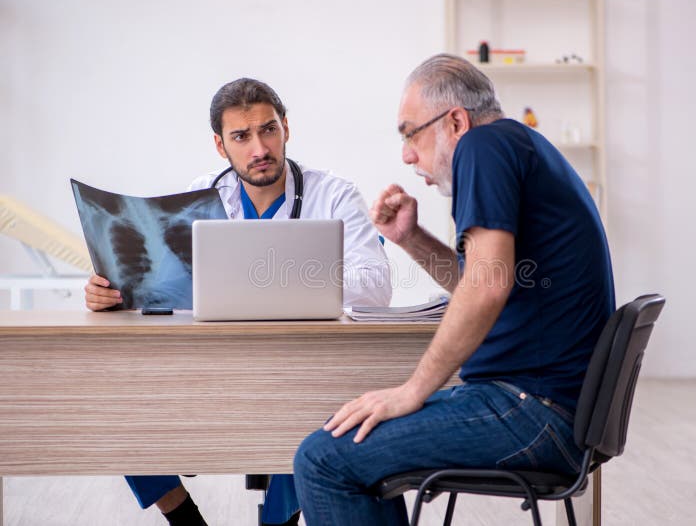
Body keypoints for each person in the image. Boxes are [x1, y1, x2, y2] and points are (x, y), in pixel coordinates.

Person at [293, 54, 615, 525]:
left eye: (409, 133)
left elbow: (487, 288)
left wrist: (412, 391)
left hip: (532, 412)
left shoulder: (482, 148)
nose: (406, 154)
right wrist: (410, 238)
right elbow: (482, 283)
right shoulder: (516, 145)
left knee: (324, 459)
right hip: (547, 408)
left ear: (456, 121)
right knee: (347, 440)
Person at [84, 78, 392, 525]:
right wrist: (110, 292)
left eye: (268, 129)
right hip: (217, 364)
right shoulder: (200, 196)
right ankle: (184, 518)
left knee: (312, 412)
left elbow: (376, 285)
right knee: (122, 401)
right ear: (220, 145)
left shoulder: (334, 194)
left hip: (301, 365)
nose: (259, 147)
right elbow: (165, 289)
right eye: (241, 136)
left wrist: (277, 277)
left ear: (286, 127)